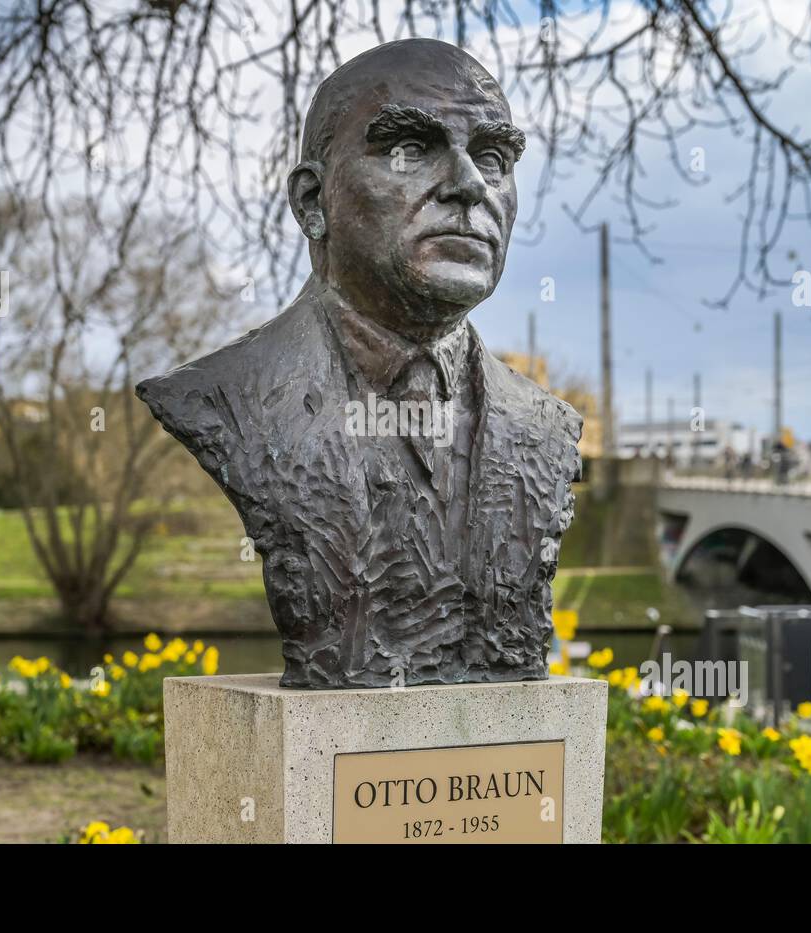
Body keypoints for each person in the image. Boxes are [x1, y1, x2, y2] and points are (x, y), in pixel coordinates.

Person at [137, 40, 581, 689]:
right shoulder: (224, 399)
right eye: (409, 149)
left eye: (492, 157)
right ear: (313, 203)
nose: (468, 185)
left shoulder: (545, 431)